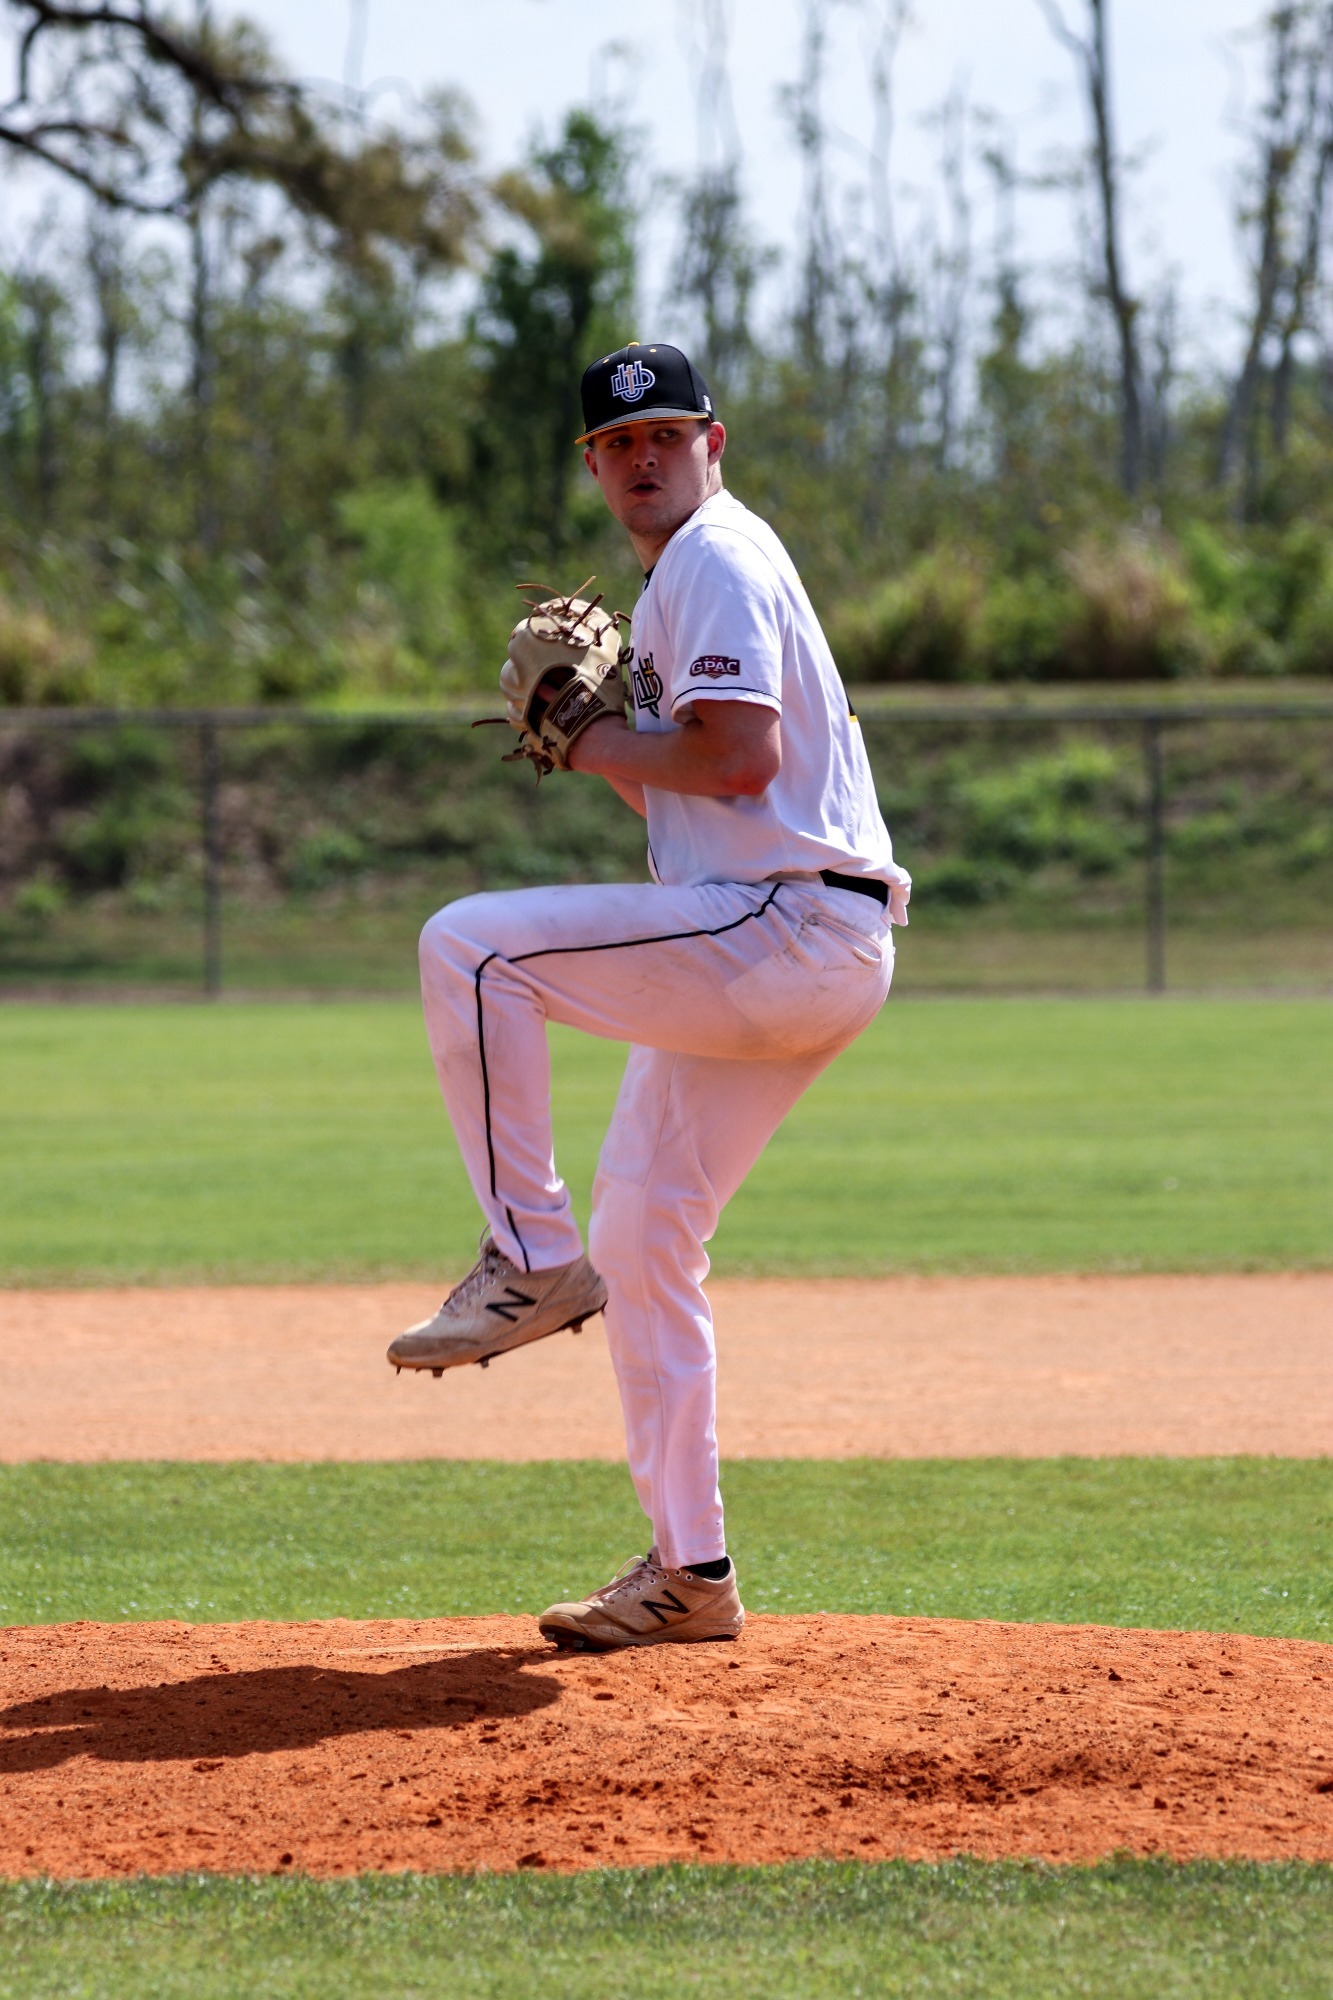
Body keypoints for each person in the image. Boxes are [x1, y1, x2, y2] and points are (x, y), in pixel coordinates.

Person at [388, 339, 910, 1652]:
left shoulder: (715, 559)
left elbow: (738, 762)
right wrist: (602, 744)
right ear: (593, 465)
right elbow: (687, 778)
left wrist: (586, 738)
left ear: (710, 445)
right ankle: (691, 1573)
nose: (641, 458)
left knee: (471, 948)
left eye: (664, 435)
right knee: (645, 1245)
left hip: (779, 927)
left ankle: (524, 1255)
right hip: (790, 938)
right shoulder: (693, 575)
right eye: (616, 445)